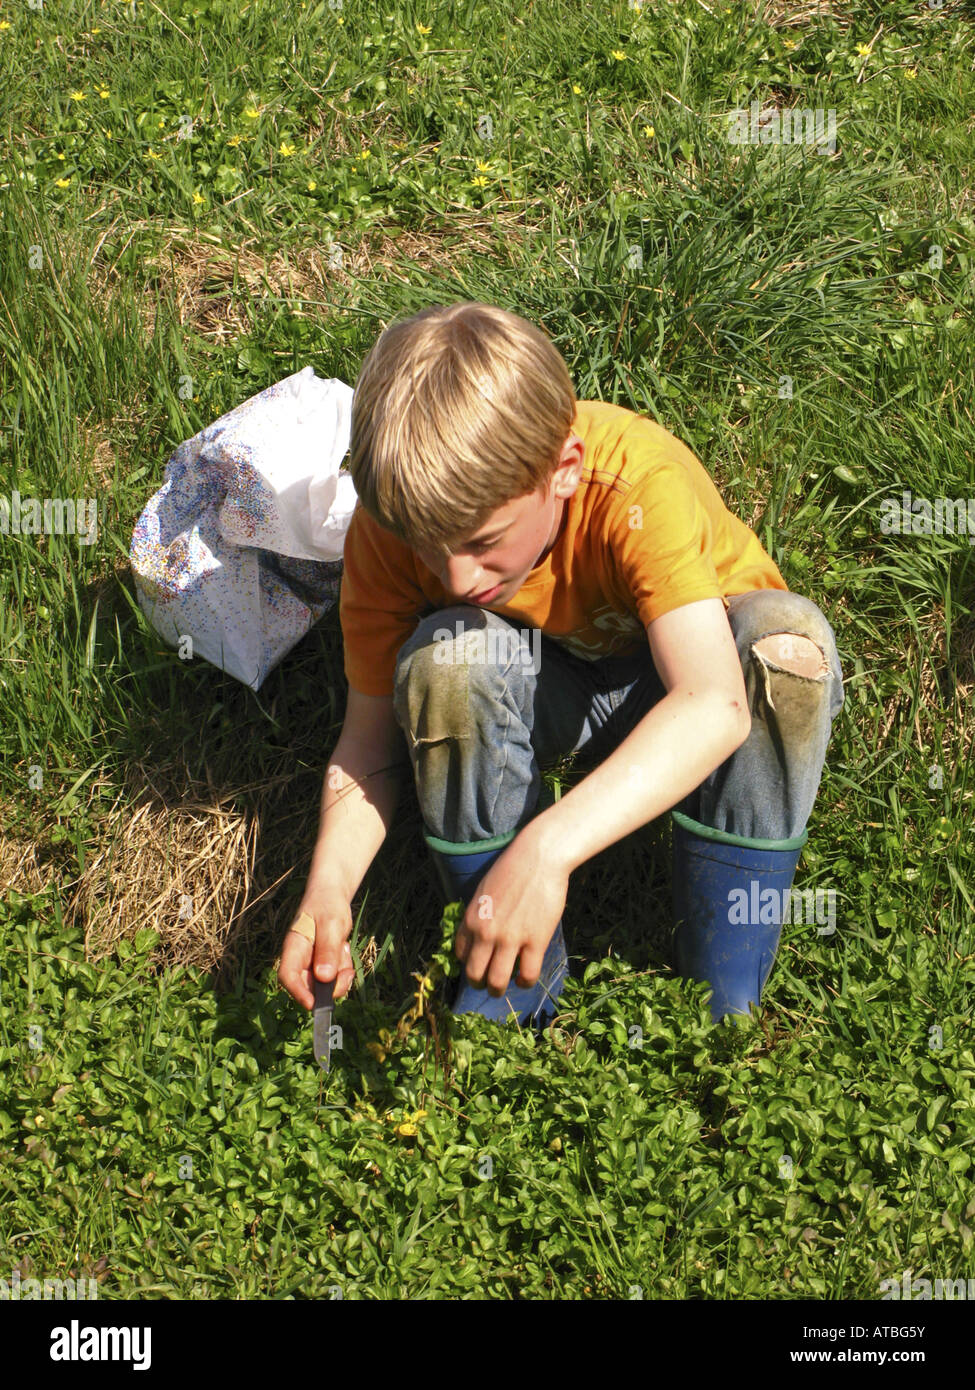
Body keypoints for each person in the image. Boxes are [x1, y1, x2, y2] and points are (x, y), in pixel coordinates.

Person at [277, 301, 844, 1030]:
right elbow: (366, 748)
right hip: (551, 689)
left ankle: (721, 1005)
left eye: (484, 541)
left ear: (563, 471)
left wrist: (545, 851)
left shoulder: (634, 485)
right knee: (445, 660)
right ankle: (512, 992)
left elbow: (713, 704)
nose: (453, 577)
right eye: (426, 548)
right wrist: (328, 888)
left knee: (786, 647)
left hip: (686, 691)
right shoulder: (393, 529)